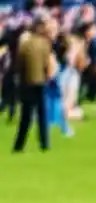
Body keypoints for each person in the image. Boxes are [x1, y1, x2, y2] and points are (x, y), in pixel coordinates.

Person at [13, 14, 54, 152]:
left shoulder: (25, 44)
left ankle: (19, 145)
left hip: (27, 83)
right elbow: (48, 66)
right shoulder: (45, 44)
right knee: (42, 116)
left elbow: (19, 65)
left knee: (26, 117)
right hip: (40, 83)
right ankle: (44, 143)